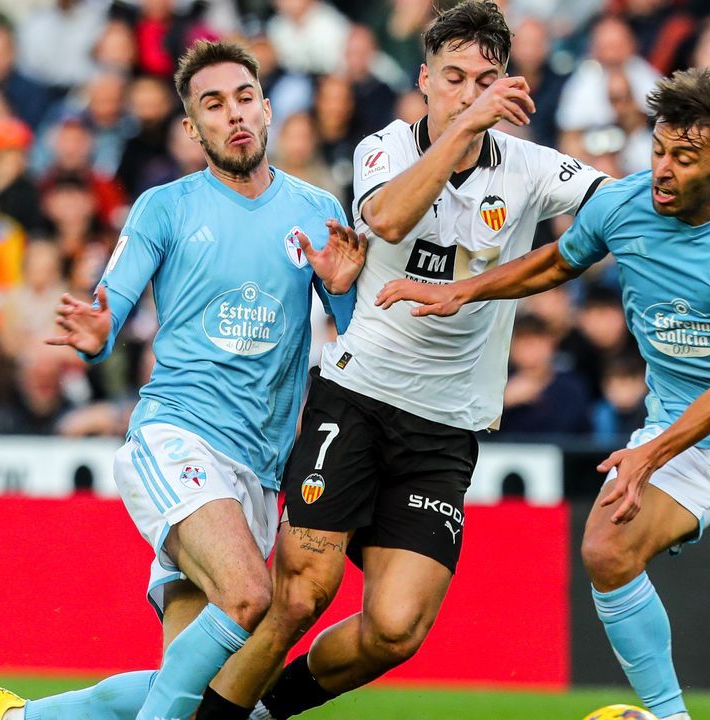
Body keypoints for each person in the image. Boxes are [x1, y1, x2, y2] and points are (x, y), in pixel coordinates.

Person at [379, 67, 710, 720]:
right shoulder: (622, 206)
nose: (663, 170)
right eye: (658, 151)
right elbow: (557, 260)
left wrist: (646, 456)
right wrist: (461, 290)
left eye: (685, 158)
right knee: (605, 549)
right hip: (682, 430)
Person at [193, 4, 607, 719]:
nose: (468, 92)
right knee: (300, 596)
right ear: (424, 80)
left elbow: (617, 204)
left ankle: (261, 711)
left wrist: (699, 198)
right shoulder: (383, 148)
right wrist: (471, 127)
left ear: (508, 82)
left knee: (396, 629)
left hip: (445, 427)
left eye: (485, 79)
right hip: (355, 397)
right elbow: (385, 219)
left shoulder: (534, 169)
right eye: (453, 78)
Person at [0, 39, 366, 720]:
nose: (234, 114)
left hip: (258, 471)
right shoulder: (165, 206)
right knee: (249, 597)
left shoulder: (314, 208)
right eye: (213, 105)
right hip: (177, 437)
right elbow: (110, 303)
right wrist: (97, 335)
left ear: (267, 109)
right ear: (193, 128)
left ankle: (17, 719)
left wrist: (344, 292)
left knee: (192, 693)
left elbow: (357, 340)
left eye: (244, 98)